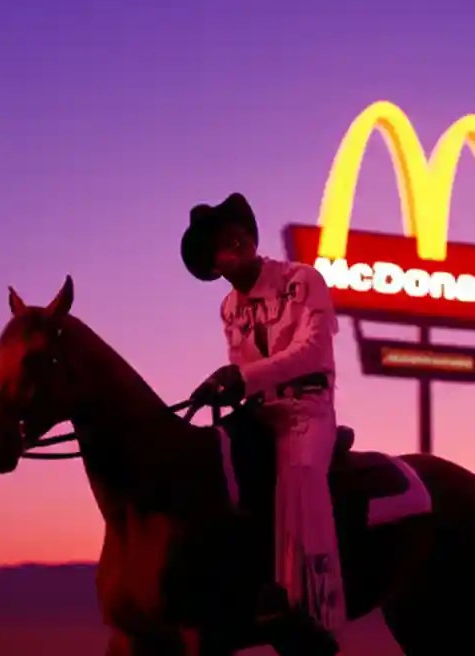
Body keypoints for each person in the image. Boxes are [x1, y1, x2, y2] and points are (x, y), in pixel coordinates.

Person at [181, 192, 346, 653]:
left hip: (306, 411)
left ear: (245, 240)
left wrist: (245, 377)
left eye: (227, 244)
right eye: (215, 253)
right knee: (209, 467)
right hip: (259, 412)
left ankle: (312, 608)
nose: (222, 260)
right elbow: (240, 363)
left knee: (300, 474)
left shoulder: (303, 280)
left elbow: (312, 351)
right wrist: (225, 385)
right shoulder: (229, 307)